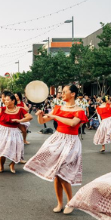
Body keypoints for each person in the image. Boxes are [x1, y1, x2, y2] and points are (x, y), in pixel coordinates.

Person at [24, 84, 87, 213]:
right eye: (61, 92)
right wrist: (40, 115)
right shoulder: (58, 108)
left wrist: (54, 116)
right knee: (57, 174)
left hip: (71, 142)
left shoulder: (79, 110)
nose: (61, 94)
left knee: (63, 174)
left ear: (73, 94)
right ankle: (60, 203)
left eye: (64, 92)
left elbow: (73, 123)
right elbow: (42, 121)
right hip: (57, 140)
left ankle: (71, 202)